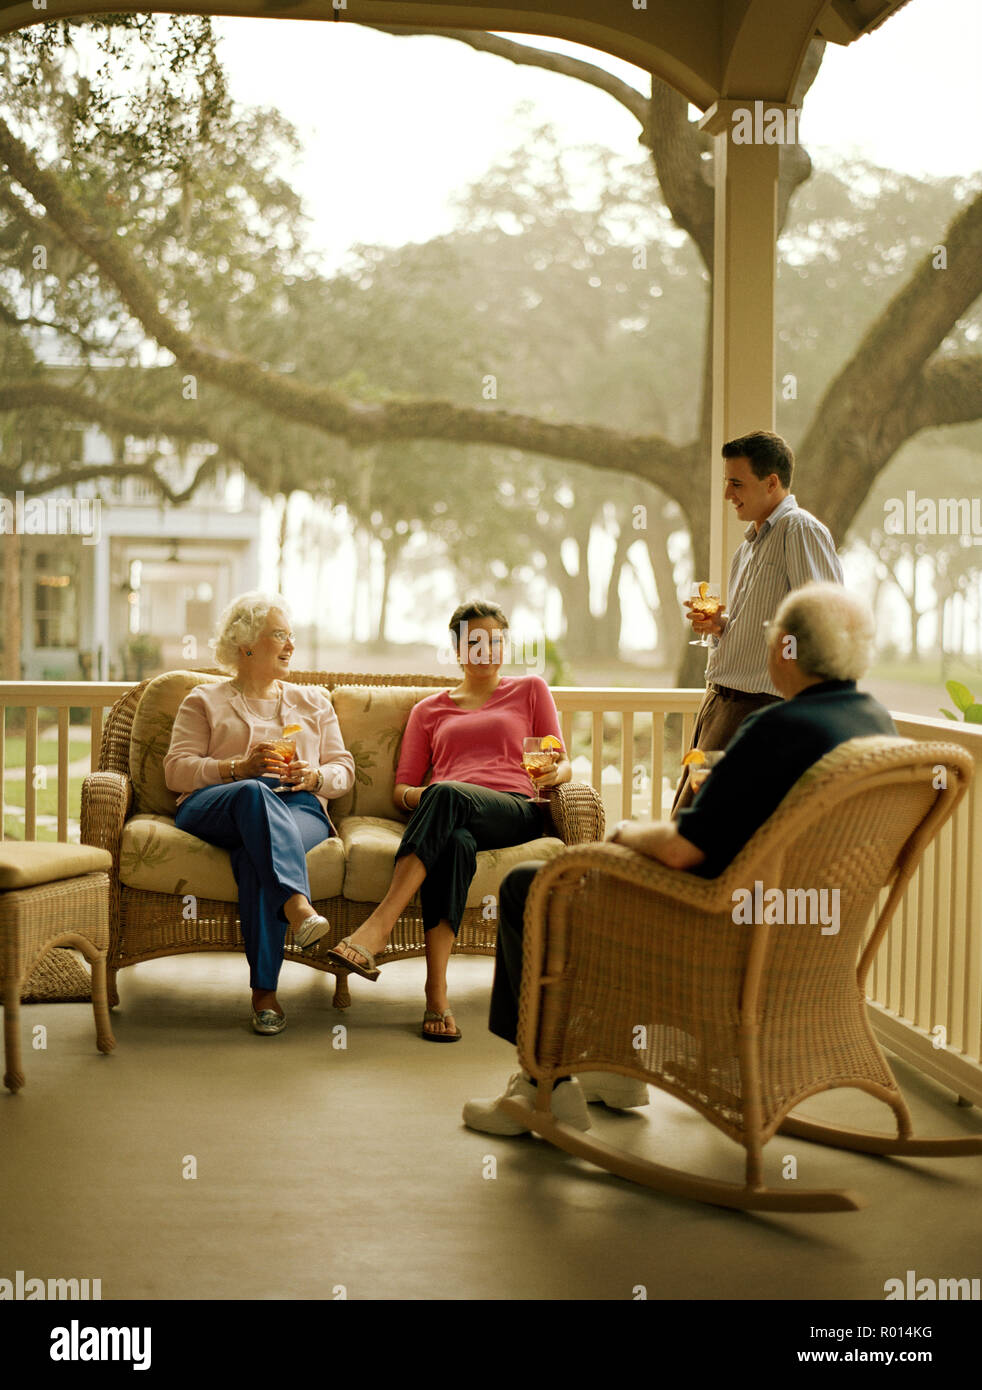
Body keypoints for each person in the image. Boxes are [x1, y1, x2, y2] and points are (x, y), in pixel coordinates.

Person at [463, 584, 896, 1135]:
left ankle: (539, 1084)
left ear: (787, 648)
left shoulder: (778, 728)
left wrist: (623, 832)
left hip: (721, 931)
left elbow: (680, 848)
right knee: (604, 891)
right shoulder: (873, 721)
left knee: (533, 885)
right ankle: (613, 1070)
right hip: (809, 930)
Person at [327, 600, 572, 1042]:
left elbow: (562, 762)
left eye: (495, 640)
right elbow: (401, 792)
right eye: (474, 641)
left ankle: (378, 928)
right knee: (454, 842)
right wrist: (437, 797)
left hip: (512, 810)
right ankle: (436, 995)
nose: (486, 649)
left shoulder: (531, 689)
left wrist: (557, 772)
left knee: (448, 796)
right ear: (458, 649)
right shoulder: (429, 710)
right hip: (449, 815)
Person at [163, 593, 355, 1036]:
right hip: (221, 804)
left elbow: (343, 770)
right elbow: (176, 770)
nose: (291, 645)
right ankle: (297, 906)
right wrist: (237, 768)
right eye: (280, 635)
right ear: (247, 644)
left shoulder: (314, 702)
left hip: (299, 805)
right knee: (252, 792)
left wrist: (314, 777)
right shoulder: (203, 700)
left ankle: (264, 995)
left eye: (292, 636)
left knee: (257, 856)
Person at [673, 430, 843, 814]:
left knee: (710, 837)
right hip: (720, 705)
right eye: (726, 482)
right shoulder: (749, 547)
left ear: (771, 483)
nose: (727, 494)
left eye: (737, 483)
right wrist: (722, 625)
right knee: (694, 830)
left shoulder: (799, 530)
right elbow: (770, 625)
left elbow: (823, 622)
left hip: (758, 710)